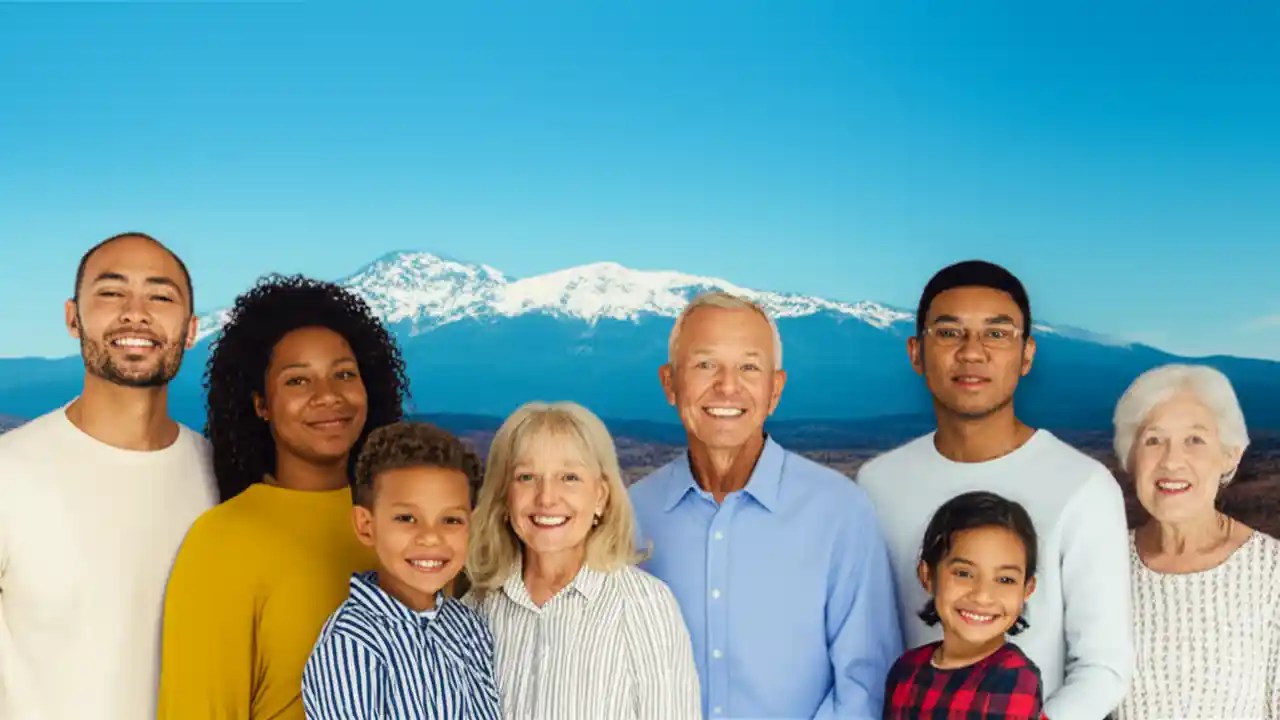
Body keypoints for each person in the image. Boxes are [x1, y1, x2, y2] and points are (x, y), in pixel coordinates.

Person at [857, 260, 1133, 720]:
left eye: (997, 334)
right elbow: (868, 644)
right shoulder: (876, 483)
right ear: (916, 352)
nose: (972, 352)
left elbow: (1103, 666)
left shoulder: (1083, 486)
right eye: (949, 333)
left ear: (1027, 355)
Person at [629, 291, 902, 719]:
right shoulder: (628, 515)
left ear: (775, 390)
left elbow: (863, 685)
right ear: (669, 383)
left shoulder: (841, 513)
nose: (727, 386)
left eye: (749, 367)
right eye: (705, 364)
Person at [157, 274, 409, 719]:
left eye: (344, 374)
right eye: (297, 381)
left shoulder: (413, 524)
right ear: (260, 404)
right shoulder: (223, 541)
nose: (328, 396)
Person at [0, 232, 217, 720]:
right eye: (111, 292)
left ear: (191, 329)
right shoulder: (8, 473)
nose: (135, 312)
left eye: (161, 296)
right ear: (72, 317)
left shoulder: (222, 479)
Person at [465, 401, 700, 719]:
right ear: (504, 496)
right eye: (526, 477)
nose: (547, 497)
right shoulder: (474, 610)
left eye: (569, 478)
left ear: (601, 496)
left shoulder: (644, 605)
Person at [1111, 364, 1280, 719]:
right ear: (1131, 456)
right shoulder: (1101, 566)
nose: (1172, 461)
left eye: (1195, 440)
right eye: (1153, 440)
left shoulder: (1272, 574)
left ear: (1230, 454)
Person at [302, 421, 500, 719]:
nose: (431, 537)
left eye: (451, 520)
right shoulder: (352, 645)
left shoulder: (470, 628)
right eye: (407, 518)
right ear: (366, 526)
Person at [884, 491, 1045, 720]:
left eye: (1005, 579)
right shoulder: (906, 669)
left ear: (1027, 589)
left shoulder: (1014, 677)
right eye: (964, 573)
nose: (982, 595)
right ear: (927, 575)